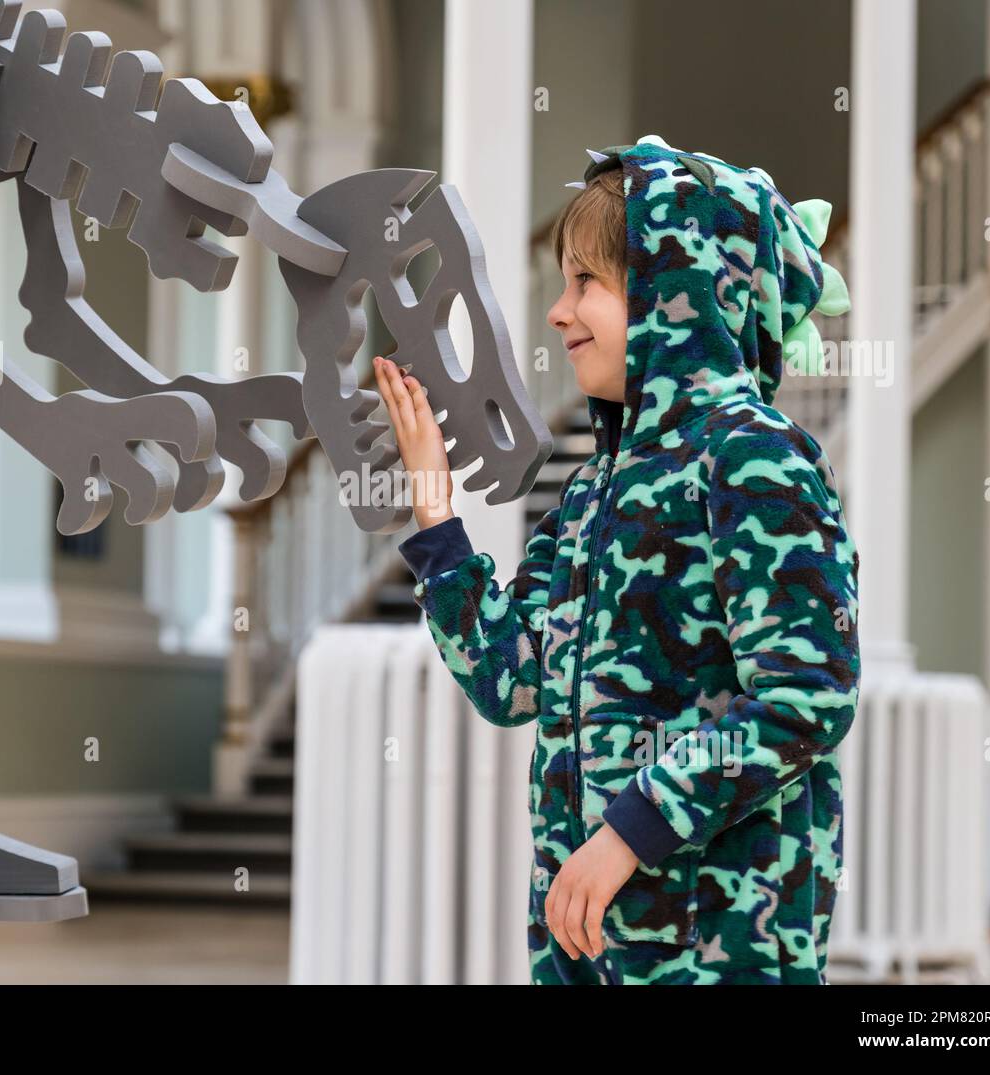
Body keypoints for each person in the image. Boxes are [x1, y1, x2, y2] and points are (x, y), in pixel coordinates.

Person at [373, 134, 860, 985]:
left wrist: (632, 829)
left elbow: (806, 692)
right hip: (586, 951)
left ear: (675, 294)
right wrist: (434, 512)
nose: (558, 311)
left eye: (586, 282)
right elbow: (511, 681)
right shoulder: (591, 495)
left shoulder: (754, 459)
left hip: (719, 954)